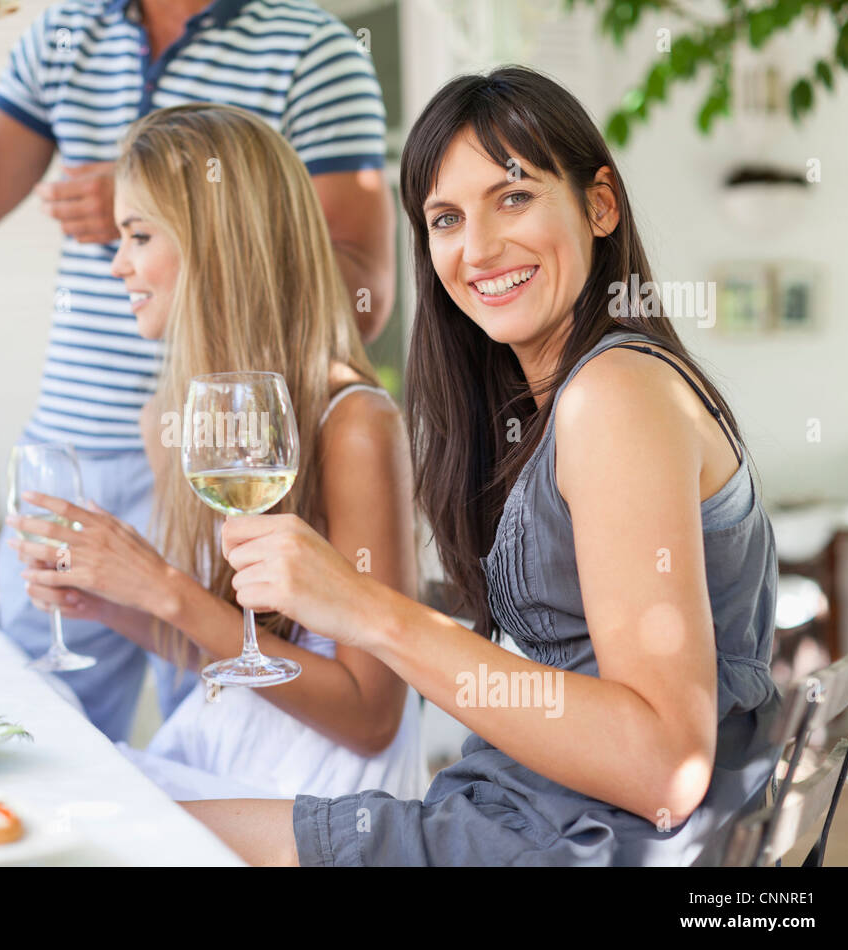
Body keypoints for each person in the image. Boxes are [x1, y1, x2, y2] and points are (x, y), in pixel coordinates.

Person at [180, 66, 783, 865]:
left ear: (600, 204)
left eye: (514, 197)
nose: (478, 248)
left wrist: (366, 609)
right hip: (530, 812)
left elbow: (663, 767)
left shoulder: (614, 393)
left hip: (584, 841)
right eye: (445, 218)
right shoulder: (563, 399)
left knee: (129, 829)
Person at [0, 0, 397, 742]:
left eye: (137, 239)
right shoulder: (64, 33)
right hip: (78, 452)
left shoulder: (311, 45)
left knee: (228, 713)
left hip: (232, 448)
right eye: (126, 236)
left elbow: (363, 294)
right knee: (35, 737)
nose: (118, 263)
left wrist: (182, 208)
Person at [10, 103, 425, 801]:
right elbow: (231, 649)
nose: (117, 266)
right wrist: (114, 605)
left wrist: (163, 591)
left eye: (138, 235)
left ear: (218, 242)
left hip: (317, 799)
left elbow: (372, 717)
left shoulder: (352, 424)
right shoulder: (172, 422)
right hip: (223, 758)